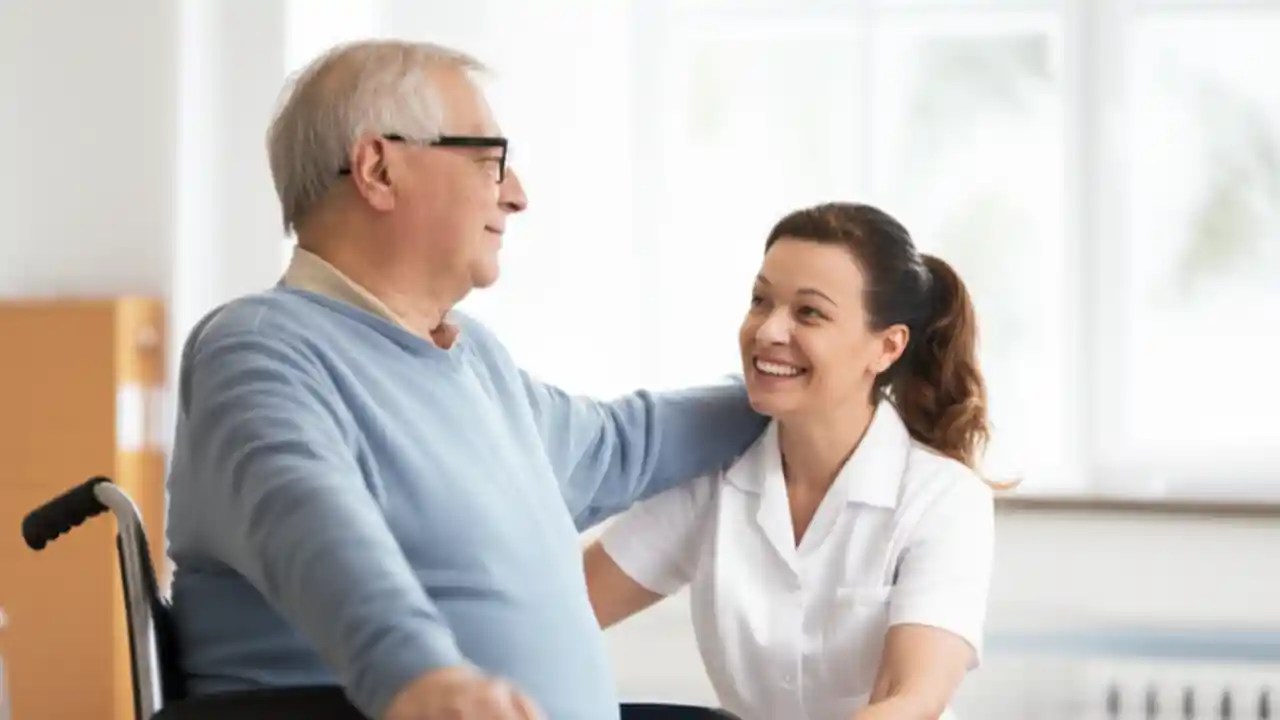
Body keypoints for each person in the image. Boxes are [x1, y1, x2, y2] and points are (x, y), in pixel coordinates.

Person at [164, 40, 766, 720]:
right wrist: (418, 678)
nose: (516, 195)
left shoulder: (470, 357)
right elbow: (313, 529)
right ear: (379, 169)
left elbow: (620, 446)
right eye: (489, 162)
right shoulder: (259, 350)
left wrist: (801, 387)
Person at [584, 202, 996, 720]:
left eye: (809, 313)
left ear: (887, 347)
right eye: (760, 301)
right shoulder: (715, 477)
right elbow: (563, 611)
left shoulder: (943, 498)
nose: (767, 331)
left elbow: (911, 700)